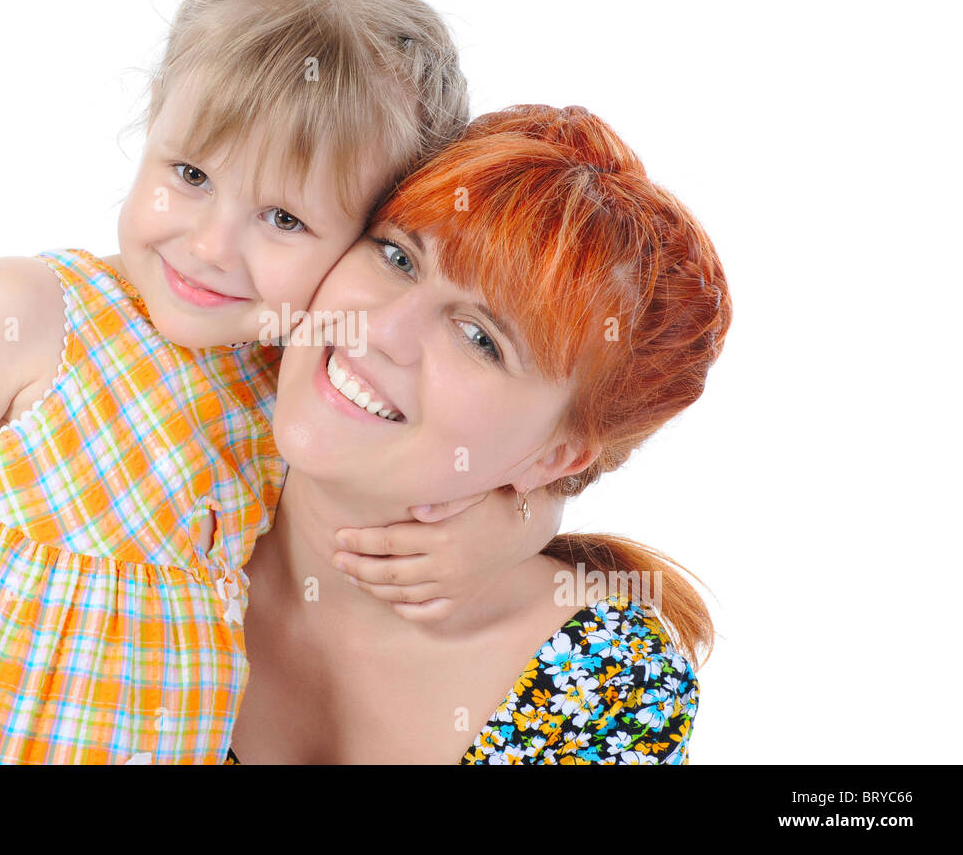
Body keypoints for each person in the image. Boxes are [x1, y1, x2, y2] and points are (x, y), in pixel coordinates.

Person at [0, 0, 530, 766]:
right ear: (151, 123)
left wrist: (512, 528)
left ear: (362, 246)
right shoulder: (28, 315)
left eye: (282, 218)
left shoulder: (303, 395)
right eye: (191, 173)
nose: (209, 245)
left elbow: (435, 485)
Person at [227, 103, 731, 764]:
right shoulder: (144, 494)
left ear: (556, 455)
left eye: (479, 338)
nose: (381, 330)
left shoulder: (607, 690)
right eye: (398, 256)